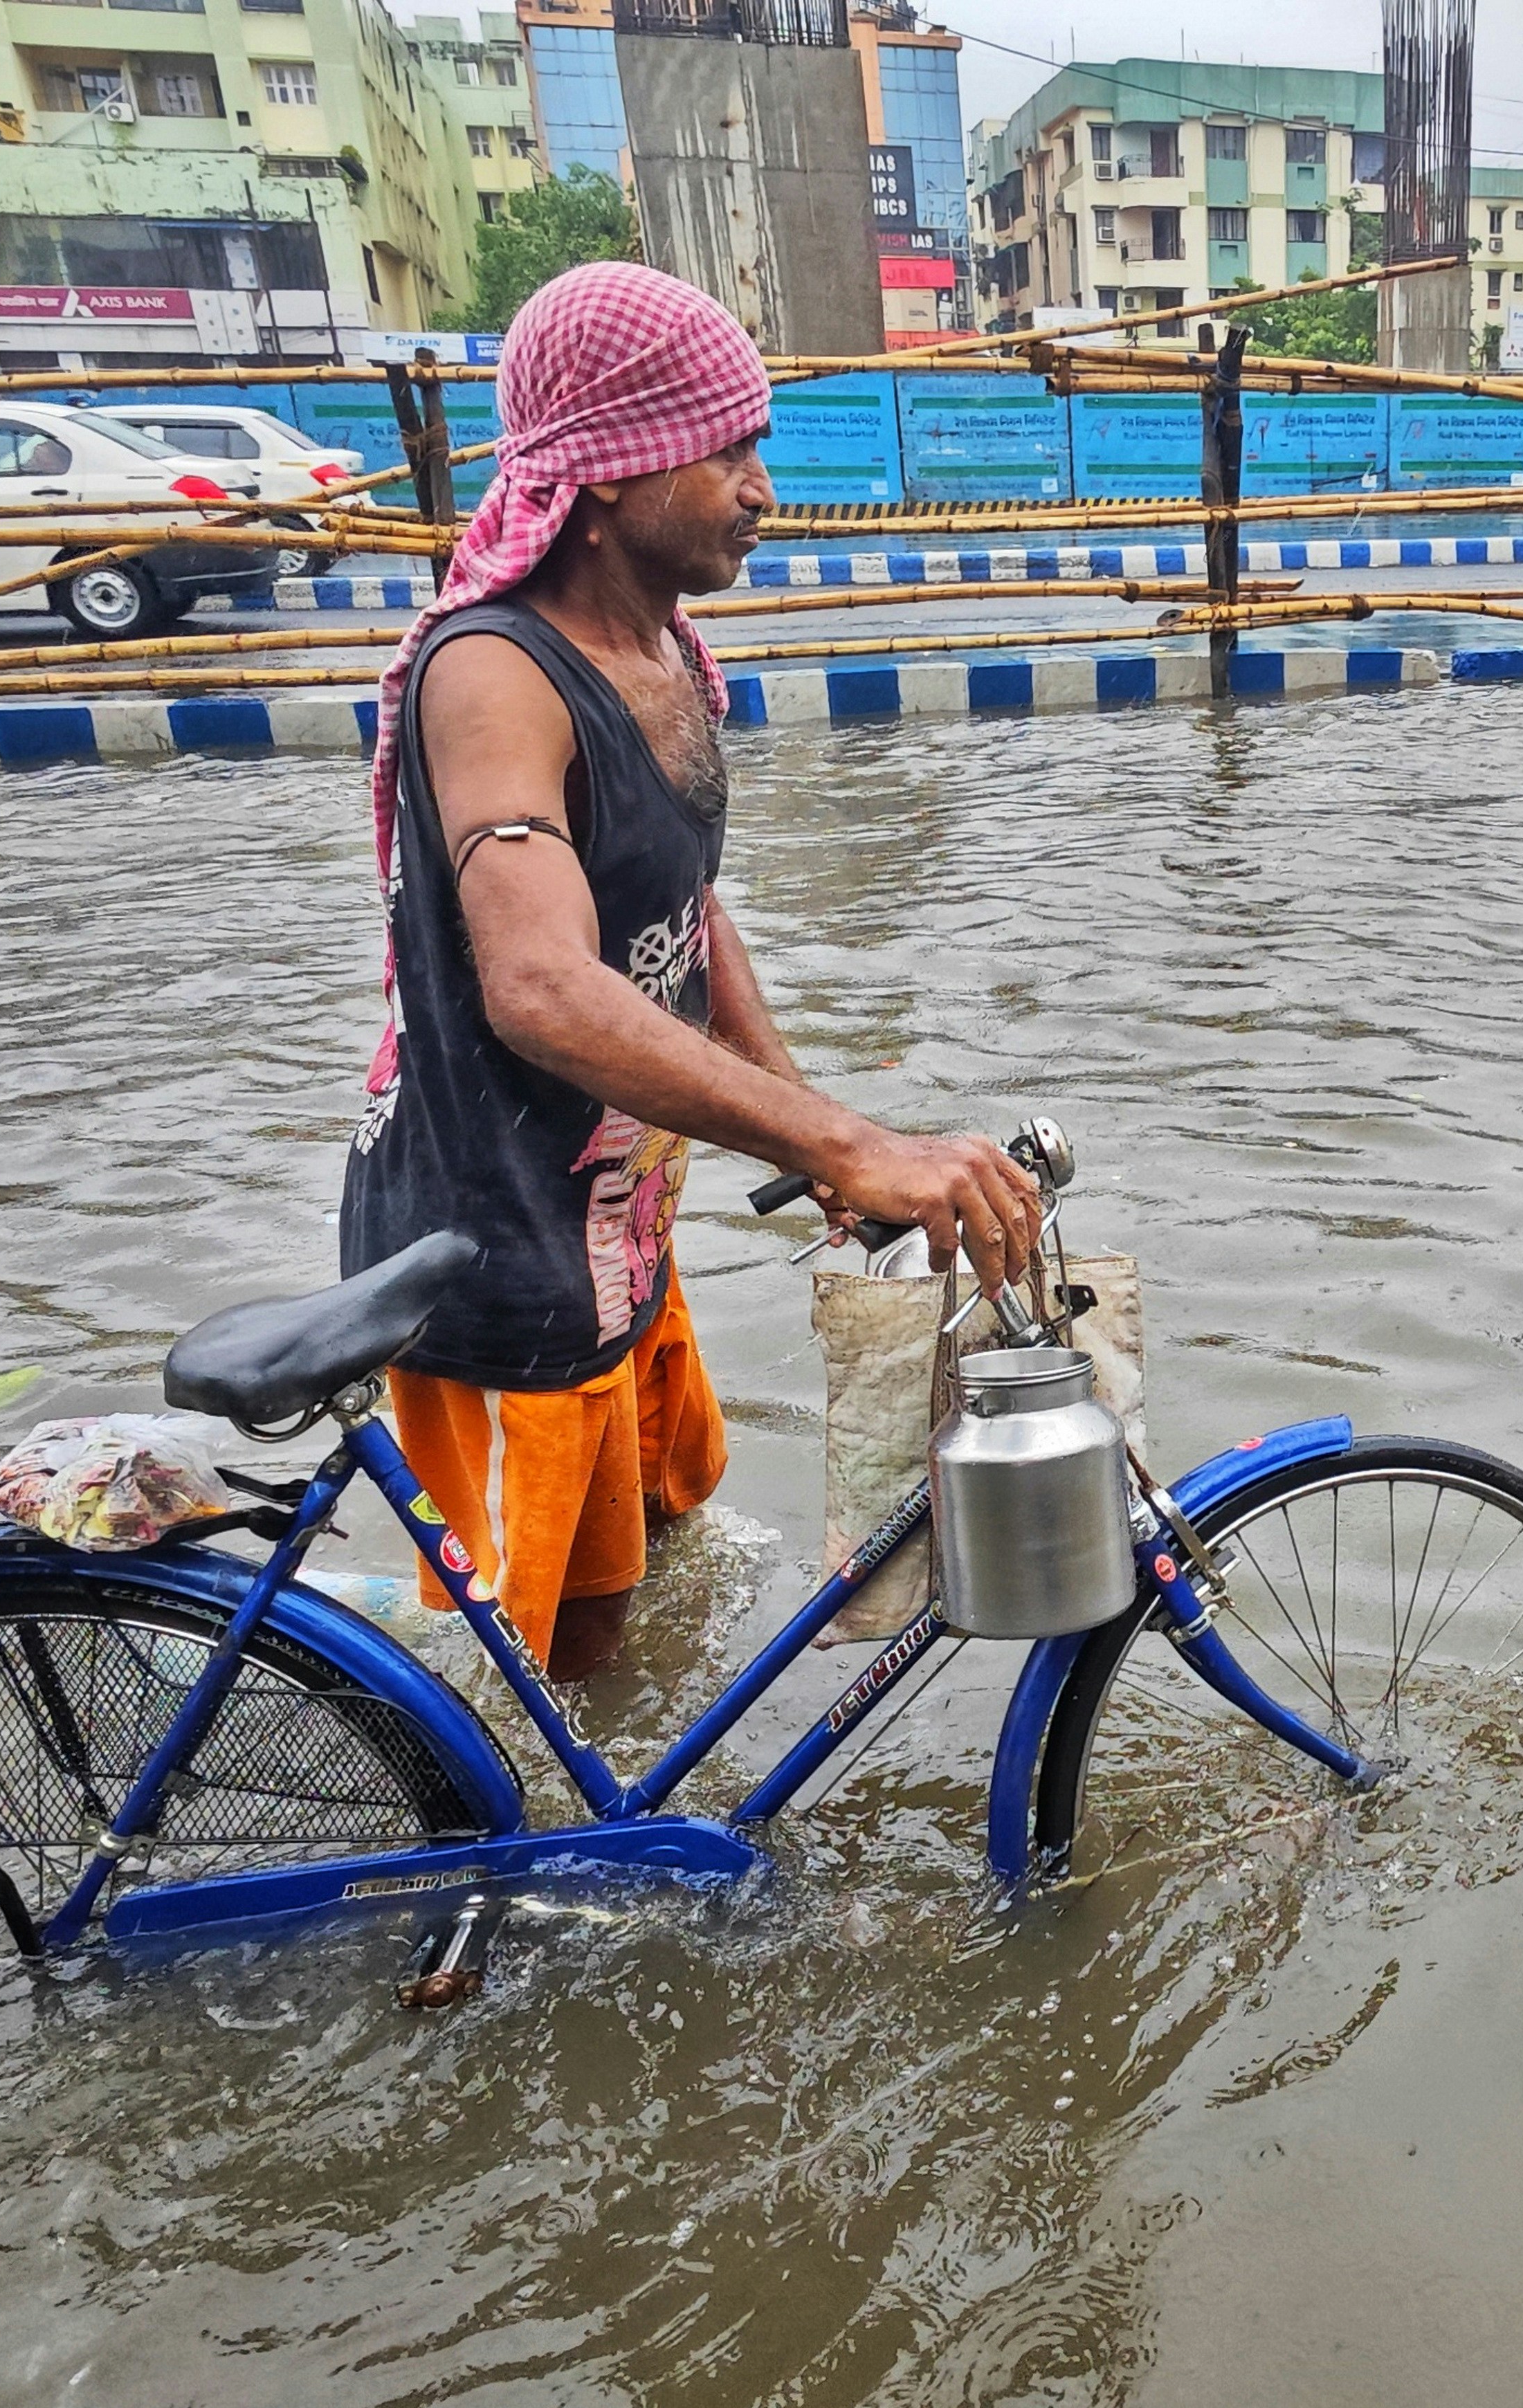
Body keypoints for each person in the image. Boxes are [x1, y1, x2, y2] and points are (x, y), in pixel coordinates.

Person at [339, 263, 1043, 1684]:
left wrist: (823, 1134)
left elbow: (681, 909)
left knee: (633, 1595)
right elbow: (536, 983)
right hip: (491, 1254)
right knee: (510, 1688)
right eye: (727, 447)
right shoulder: (495, 676)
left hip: (615, 1230)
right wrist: (846, 1138)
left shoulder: (661, 652)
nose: (761, 486)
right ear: (604, 474)